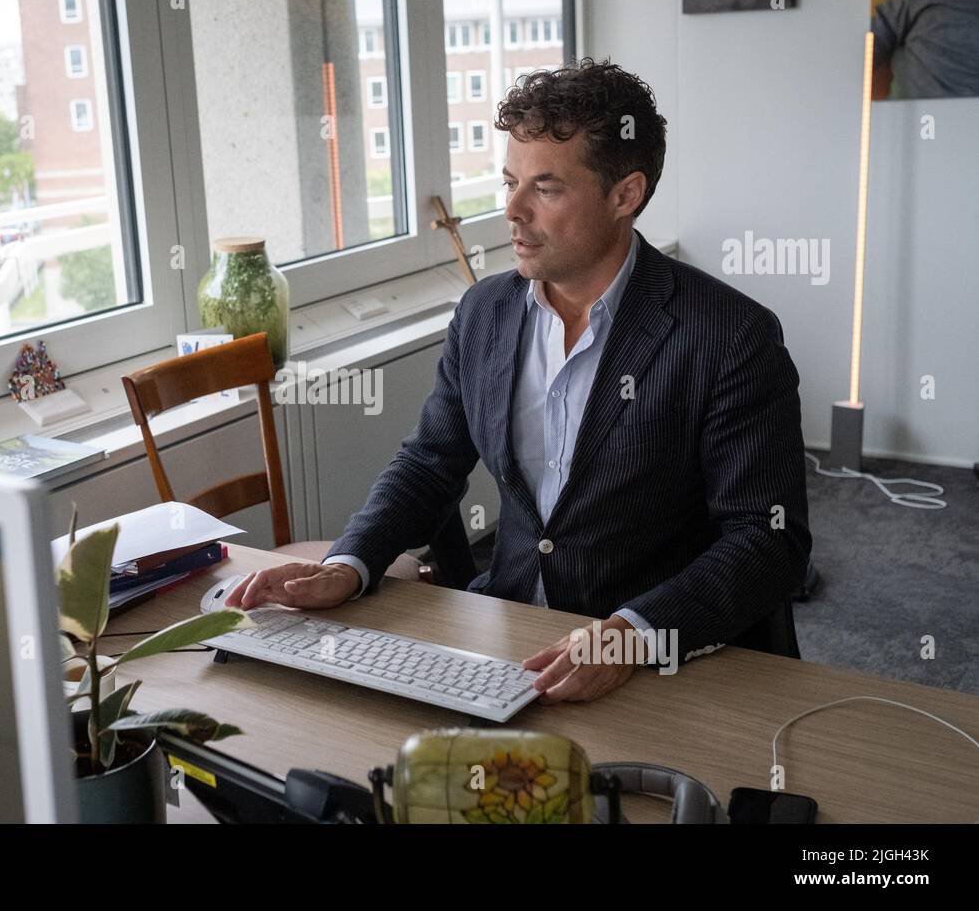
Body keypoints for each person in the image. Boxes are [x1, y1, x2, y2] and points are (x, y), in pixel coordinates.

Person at [226, 58, 811, 703]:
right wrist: (348, 563)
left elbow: (767, 538)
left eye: (547, 189)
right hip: (512, 635)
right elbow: (430, 463)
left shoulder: (729, 336)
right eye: (509, 182)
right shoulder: (485, 312)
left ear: (626, 195)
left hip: (661, 664)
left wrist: (633, 634)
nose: (512, 210)